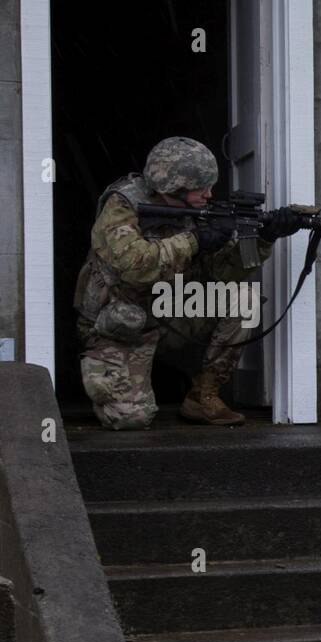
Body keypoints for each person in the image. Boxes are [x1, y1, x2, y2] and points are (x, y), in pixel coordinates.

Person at [73, 136, 305, 429]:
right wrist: (195, 240)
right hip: (119, 325)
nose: (209, 194)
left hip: (170, 313)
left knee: (243, 298)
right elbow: (134, 266)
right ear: (172, 185)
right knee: (130, 418)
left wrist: (264, 238)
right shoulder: (122, 206)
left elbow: (222, 274)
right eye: (201, 187)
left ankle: (202, 395)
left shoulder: (197, 213)